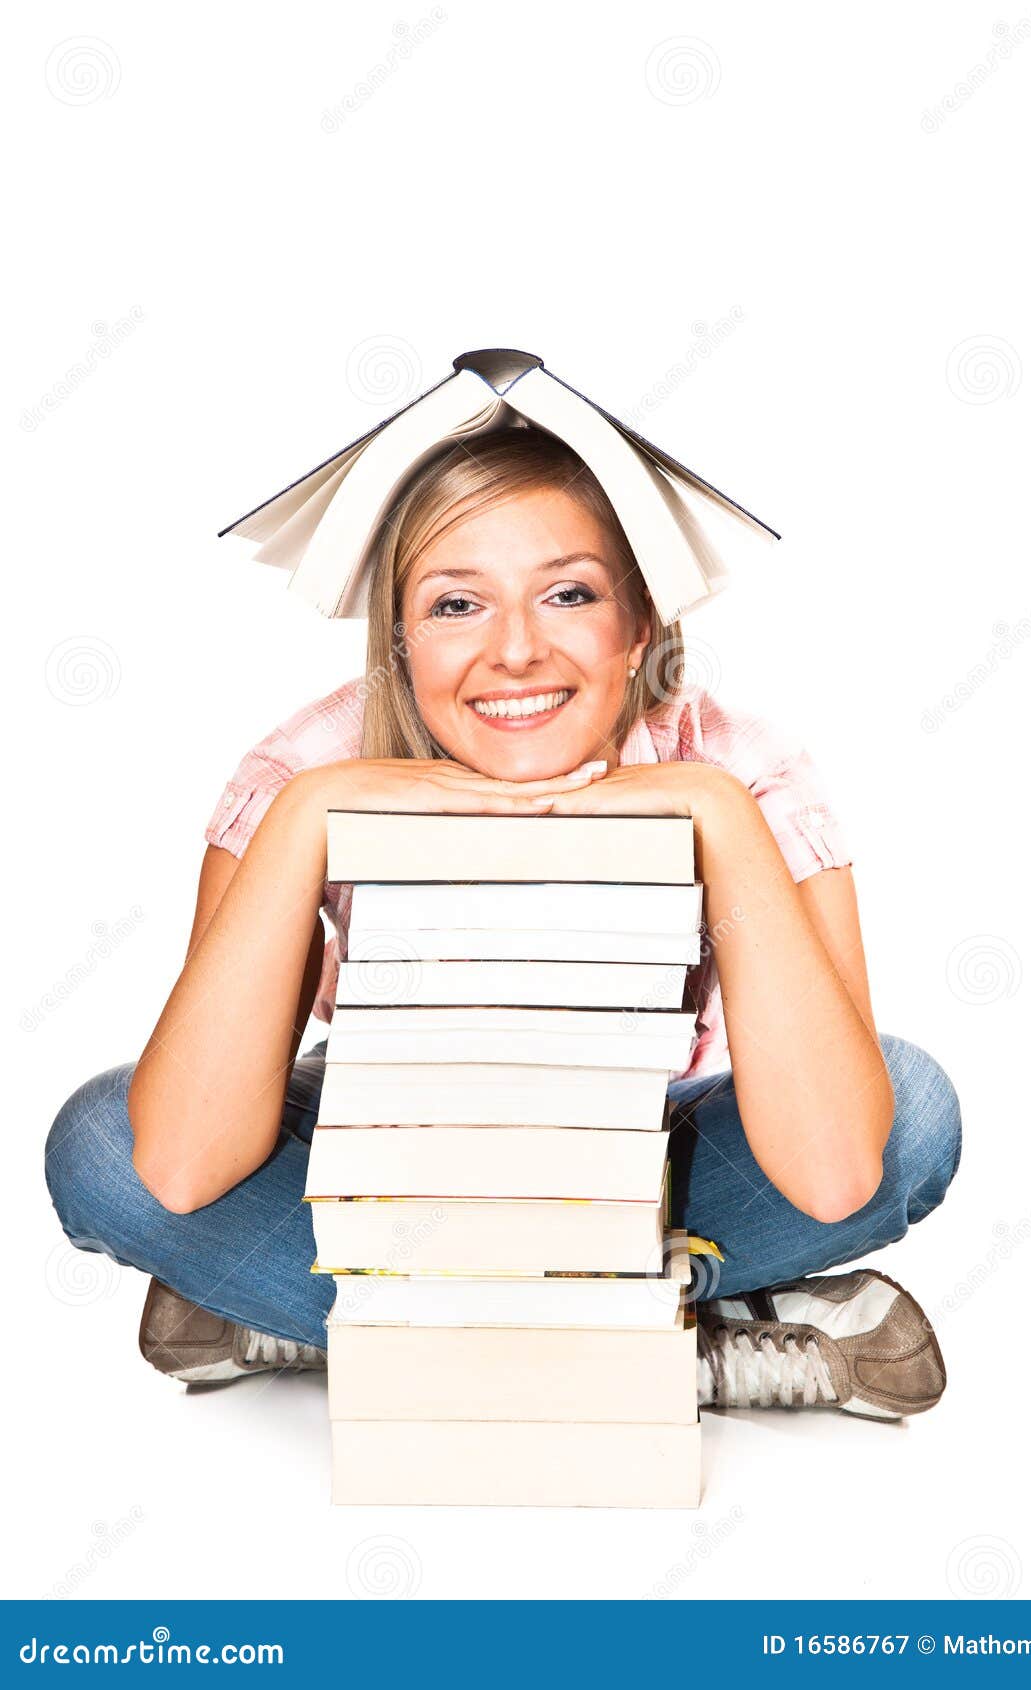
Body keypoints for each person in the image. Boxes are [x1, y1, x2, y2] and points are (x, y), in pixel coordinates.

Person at [44, 424, 961, 1418]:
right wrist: (312, 811)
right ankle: (682, 1352)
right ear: (399, 638)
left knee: (906, 1109)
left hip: (646, 1167)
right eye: (454, 603)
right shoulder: (309, 760)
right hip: (393, 1170)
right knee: (103, 1145)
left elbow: (832, 1172)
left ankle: (336, 1330)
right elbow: (183, 1164)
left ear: (639, 623)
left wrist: (718, 816)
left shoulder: (738, 765)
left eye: (568, 593)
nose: (516, 649)